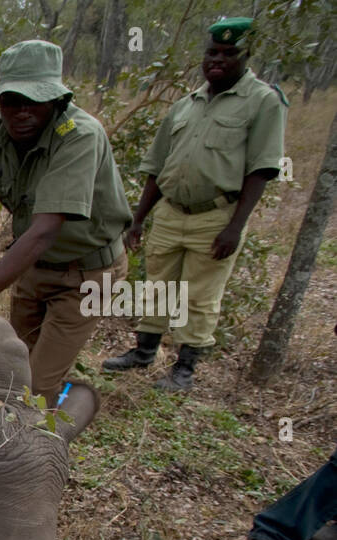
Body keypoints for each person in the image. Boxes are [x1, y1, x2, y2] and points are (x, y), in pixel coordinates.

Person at [0, 40, 131, 404]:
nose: (21, 112)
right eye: (10, 101)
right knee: (12, 369)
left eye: (33, 101)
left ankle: (66, 417)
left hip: (88, 277)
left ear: (56, 100)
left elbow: (44, 231)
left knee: (37, 389)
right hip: (33, 268)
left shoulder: (79, 136)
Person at [103, 17, 287, 392]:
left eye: (228, 53)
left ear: (245, 56)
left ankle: (184, 369)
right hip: (171, 210)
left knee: (200, 295)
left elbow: (261, 169)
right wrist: (138, 219)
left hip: (216, 214)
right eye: (212, 52)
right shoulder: (187, 104)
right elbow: (157, 166)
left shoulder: (262, 101)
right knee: (157, 286)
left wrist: (235, 226)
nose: (217, 60)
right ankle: (143, 352)